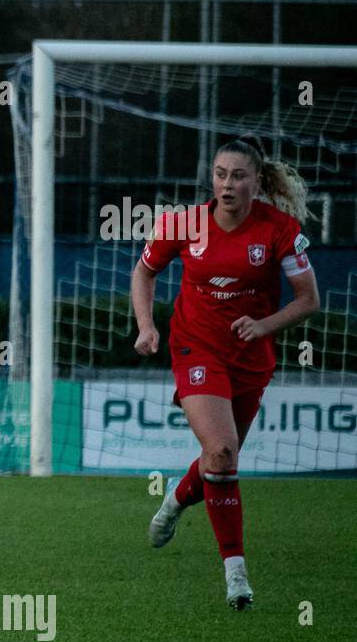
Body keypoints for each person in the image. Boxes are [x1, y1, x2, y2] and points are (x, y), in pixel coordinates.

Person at [134, 135, 319, 610]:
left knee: (221, 459)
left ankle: (176, 500)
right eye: (220, 174)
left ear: (258, 182)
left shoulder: (279, 230)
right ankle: (236, 574)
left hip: (251, 359)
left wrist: (263, 325)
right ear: (211, 178)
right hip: (195, 349)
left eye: (238, 176)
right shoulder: (184, 223)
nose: (227, 184)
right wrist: (147, 326)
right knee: (220, 448)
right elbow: (144, 272)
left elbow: (308, 299)